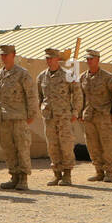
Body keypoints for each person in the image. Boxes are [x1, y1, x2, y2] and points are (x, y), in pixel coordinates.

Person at [0, 44, 38, 190]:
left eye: (6, 54)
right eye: (2, 55)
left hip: (19, 117)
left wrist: (31, 114)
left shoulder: (22, 73)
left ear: (13, 55)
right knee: (8, 148)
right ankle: (14, 176)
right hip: (4, 119)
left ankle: (23, 178)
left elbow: (31, 95)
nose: (3, 57)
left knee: (22, 147)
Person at [36, 47, 82, 186]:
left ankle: (67, 174)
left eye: (51, 58)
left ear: (57, 59)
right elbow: (40, 96)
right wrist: (42, 109)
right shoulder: (41, 76)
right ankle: (57, 174)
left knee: (66, 145)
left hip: (64, 117)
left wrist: (75, 112)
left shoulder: (68, 74)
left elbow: (77, 95)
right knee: (52, 146)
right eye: (47, 58)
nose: (48, 61)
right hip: (49, 117)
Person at [79, 49, 112, 182]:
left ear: (98, 60)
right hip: (89, 116)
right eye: (87, 59)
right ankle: (99, 171)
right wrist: (79, 112)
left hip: (104, 116)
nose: (89, 61)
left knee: (107, 145)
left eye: (91, 59)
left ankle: (109, 172)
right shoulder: (83, 77)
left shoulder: (108, 77)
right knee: (92, 145)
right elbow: (80, 97)